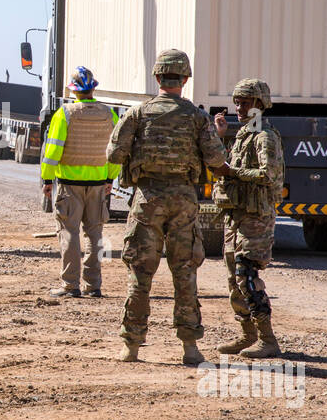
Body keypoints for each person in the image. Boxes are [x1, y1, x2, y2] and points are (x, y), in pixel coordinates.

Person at [106, 49, 236, 365]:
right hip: (183, 202)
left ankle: (131, 347)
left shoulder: (137, 114)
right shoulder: (197, 117)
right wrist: (217, 137)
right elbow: (217, 161)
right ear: (185, 79)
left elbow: (113, 154)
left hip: (147, 200)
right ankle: (190, 347)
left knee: (140, 272)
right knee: (185, 271)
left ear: (157, 78)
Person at [213, 79, 285, 358]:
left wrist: (232, 173)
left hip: (256, 217)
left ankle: (267, 340)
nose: (239, 108)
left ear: (259, 104)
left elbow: (270, 176)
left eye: (245, 102)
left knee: (247, 276)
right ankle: (247, 334)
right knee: (234, 279)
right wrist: (220, 137)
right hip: (236, 216)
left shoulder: (264, 136)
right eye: (237, 102)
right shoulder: (245, 133)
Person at [40, 66, 120, 298]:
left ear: (72, 89)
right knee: (95, 234)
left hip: (69, 185)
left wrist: (46, 178)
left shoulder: (65, 114)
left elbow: (53, 151)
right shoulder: (109, 114)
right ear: (93, 88)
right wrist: (110, 178)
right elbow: (115, 150)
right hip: (97, 184)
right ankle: (93, 286)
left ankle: (70, 285)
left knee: (69, 233)